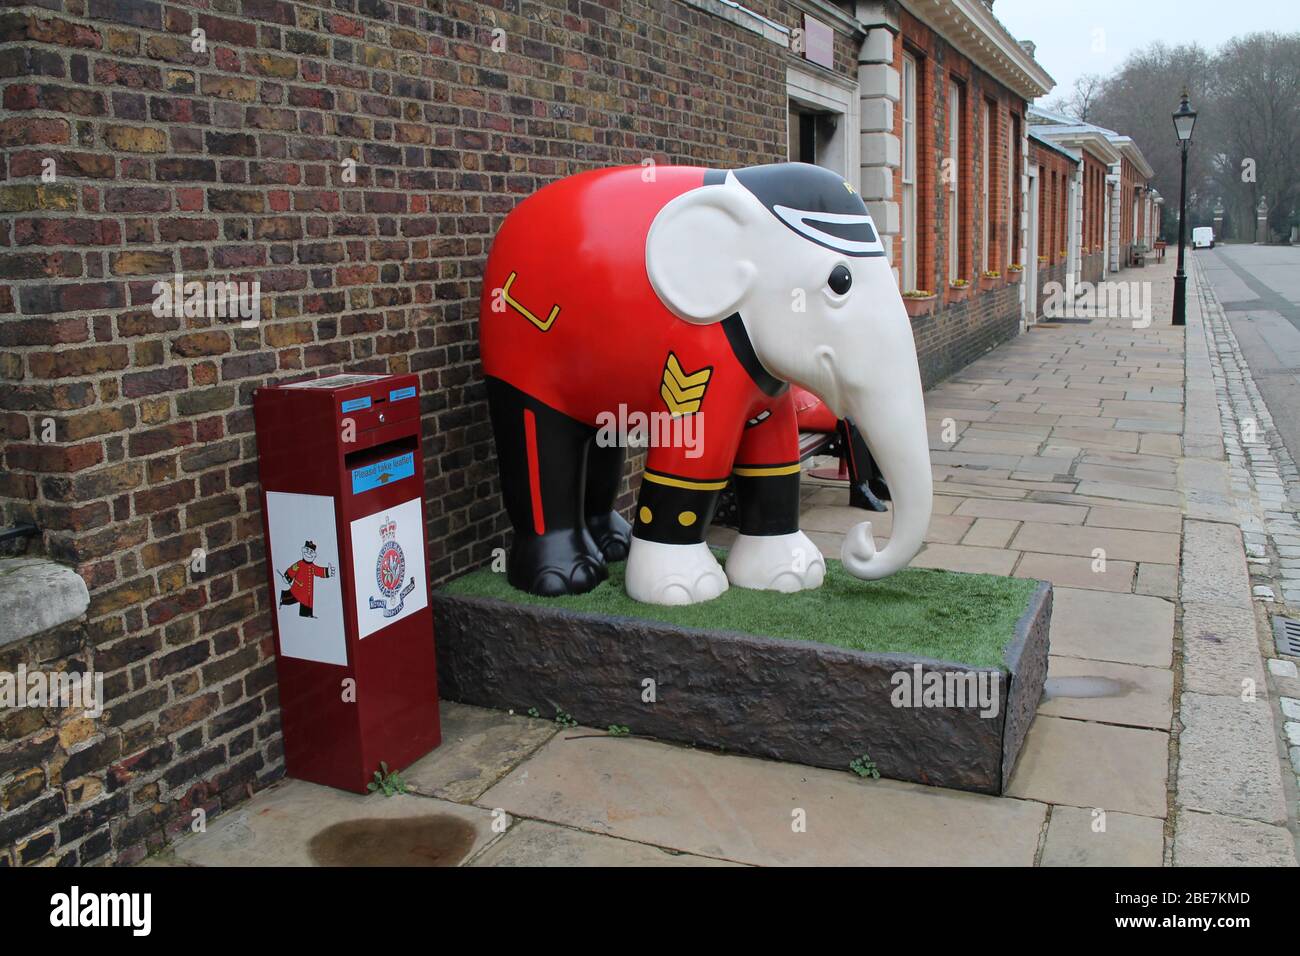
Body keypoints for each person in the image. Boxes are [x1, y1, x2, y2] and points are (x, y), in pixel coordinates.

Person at [280, 540, 335, 618]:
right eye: (307, 550)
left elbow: (319, 571)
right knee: (292, 598)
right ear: (303, 550)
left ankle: (306, 614)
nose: (309, 553)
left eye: (311, 551)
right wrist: (287, 577)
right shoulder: (299, 564)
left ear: (314, 554)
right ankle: (282, 598)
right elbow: (292, 570)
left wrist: (327, 572)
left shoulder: (312, 566)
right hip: (298, 588)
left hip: (308, 593)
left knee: (307, 602)